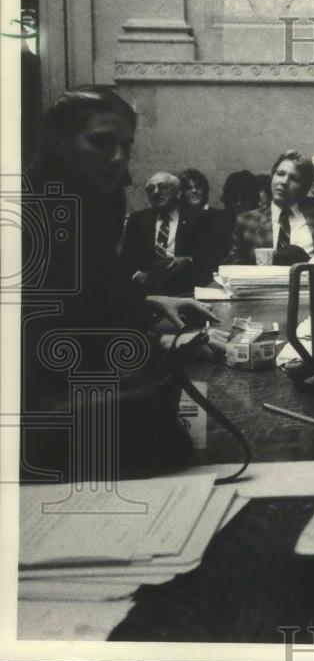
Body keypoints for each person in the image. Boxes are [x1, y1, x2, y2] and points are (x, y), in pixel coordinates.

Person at [21, 86, 217, 480]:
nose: (118, 159)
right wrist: (155, 343)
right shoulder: (30, 215)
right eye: (101, 142)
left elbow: (92, 292)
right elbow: (44, 340)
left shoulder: (99, 199)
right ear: (60, 142)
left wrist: (149, 302)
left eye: (126, 146)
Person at [227, 150, 314, 263]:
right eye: (280, 174)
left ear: (304, 188)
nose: (284, 182)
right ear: (272, 177)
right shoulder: (247, 221)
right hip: (266, 291)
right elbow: (232, 267)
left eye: (294, 178)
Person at [121, 171, 210, 293]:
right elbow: (126, 258)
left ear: (178, 192)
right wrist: (136, 274)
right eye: (150, 189)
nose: (156, 192)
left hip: (185, 288)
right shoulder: (137, 219)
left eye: (163, 187)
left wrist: (188, 260)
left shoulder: (196, 218)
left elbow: (208, 255)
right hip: (145, 290)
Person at [178, 167, 233, 277]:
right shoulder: (178, 219)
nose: (194, 191)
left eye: (198, 187)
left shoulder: (223, 217)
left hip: (214, 275)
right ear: (182, 193)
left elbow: (222, 252)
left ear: (205, 189)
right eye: (188, 188)